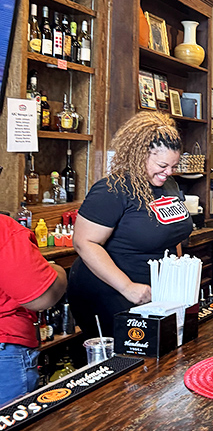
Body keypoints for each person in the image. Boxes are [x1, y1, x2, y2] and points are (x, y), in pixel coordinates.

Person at [68, 112, 193, 338]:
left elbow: (172, 233)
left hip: (154, 292)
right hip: (111, 292)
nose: (168, 172)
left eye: (173, 166)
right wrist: (127, 287)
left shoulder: (169, 186)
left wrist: (173, 277)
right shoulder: (112, 189)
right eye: (162, 165)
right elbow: (84, 242)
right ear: (139, 154)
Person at [0, 214, 67, 407]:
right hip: (5, 348)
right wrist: (58, 272)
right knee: (14, 424)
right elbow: (41, 297)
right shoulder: (4, 229)